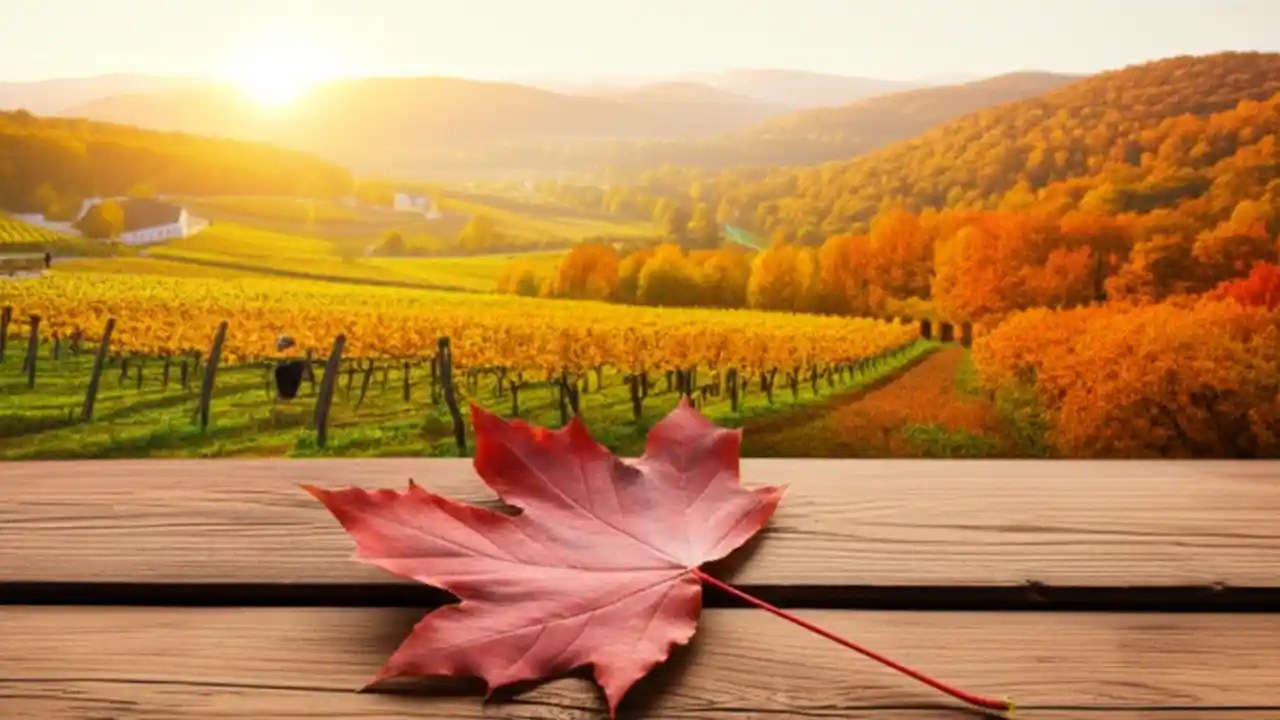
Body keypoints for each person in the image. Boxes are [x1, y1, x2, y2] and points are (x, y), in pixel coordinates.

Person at [273, 335, 306, 401]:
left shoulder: (294, 353)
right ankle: (286, 394)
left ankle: (286, 394)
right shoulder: (293, 351)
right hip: (293, 368)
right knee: (281, 371)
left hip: (293, 368)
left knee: (280, 371)